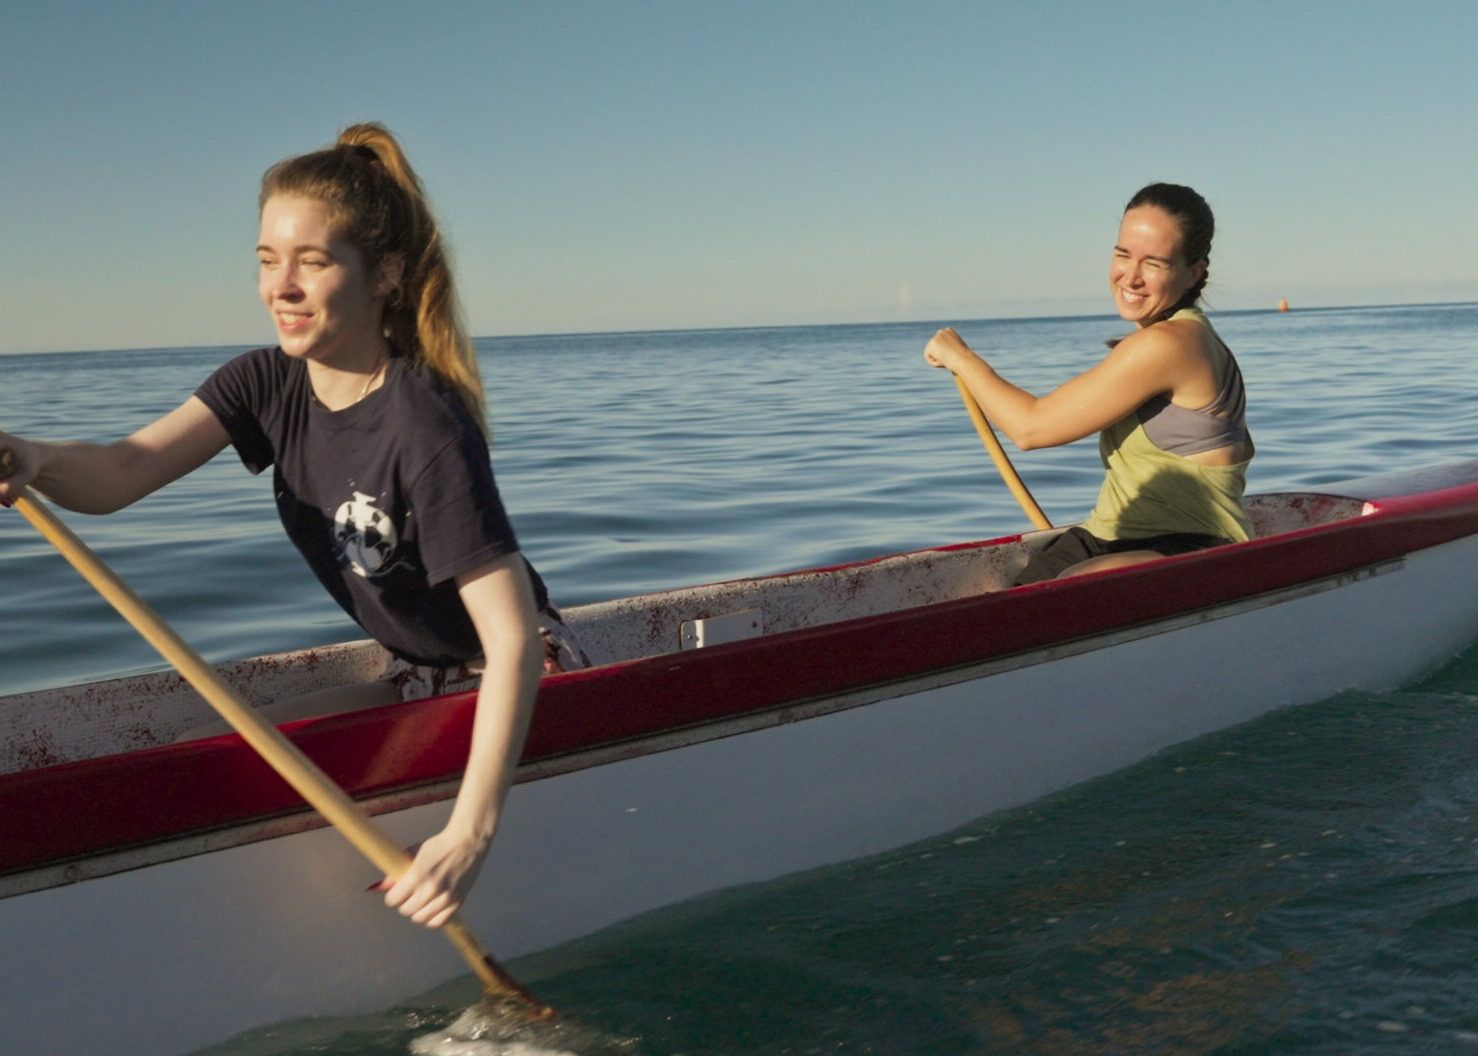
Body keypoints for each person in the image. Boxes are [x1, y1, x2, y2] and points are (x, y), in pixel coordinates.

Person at [0, 122, 585, 929]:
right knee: (195, 753)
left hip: (522, 683)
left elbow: (512, 636)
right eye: (268, 260)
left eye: (312, 261)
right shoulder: (264, 385)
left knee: (216, 768)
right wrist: (34, 457)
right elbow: (124, 472)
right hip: (416, 676)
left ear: (385, 273)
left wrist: (467, 836)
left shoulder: (424, 424)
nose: (282, 287)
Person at [923, 182, 1253, 585]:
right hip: (1110, 537)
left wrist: (961, 357)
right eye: (1123, 255)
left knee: (1071, 586)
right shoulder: (1171, 336)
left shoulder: (1171, 343)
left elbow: (1031, 428)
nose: (1131, 277)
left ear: (1193, 273)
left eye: (1153, 263)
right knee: (1006, 600)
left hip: (1193, 548)